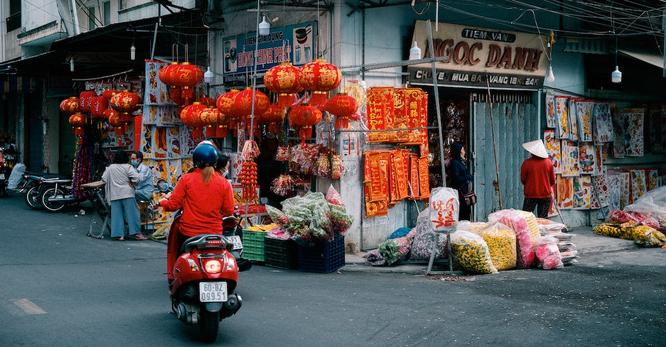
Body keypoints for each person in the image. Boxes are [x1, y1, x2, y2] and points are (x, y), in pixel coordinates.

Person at [159, 141, 235, 282]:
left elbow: (173, 204)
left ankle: (174, 277)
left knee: (177, 251)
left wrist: (163, 202)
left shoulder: (186, 179)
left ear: (195, 161)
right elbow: (229, 210)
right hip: (215, 233)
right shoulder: (224, 183)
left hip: (189, 232)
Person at [101, 150, 148, 241]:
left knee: (117, 216)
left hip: (115, 194)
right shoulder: (128, 167)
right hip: (127, 194)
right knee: (132, 215)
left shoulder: (110, 167)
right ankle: (136, 234)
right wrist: (131, 182)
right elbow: (137, 178)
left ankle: (119, 235)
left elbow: (104, 178)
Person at [520, 139, 556, 218]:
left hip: (530, 195)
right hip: (545, 195)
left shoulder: (526, 163)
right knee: (543, 220)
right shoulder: (548, 162)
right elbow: (552, 181)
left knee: (526, 219)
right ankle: (542, 231)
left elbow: (523, 180)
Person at [448, 143, 473, 221]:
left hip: (464, 192)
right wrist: (468, 177)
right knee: (462, 213)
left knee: (466, 212)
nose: (464, 151)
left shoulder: (461, 162)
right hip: (459, 193)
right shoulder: (454, 163)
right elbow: (456, 178)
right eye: (463, 150)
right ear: (459, 151)